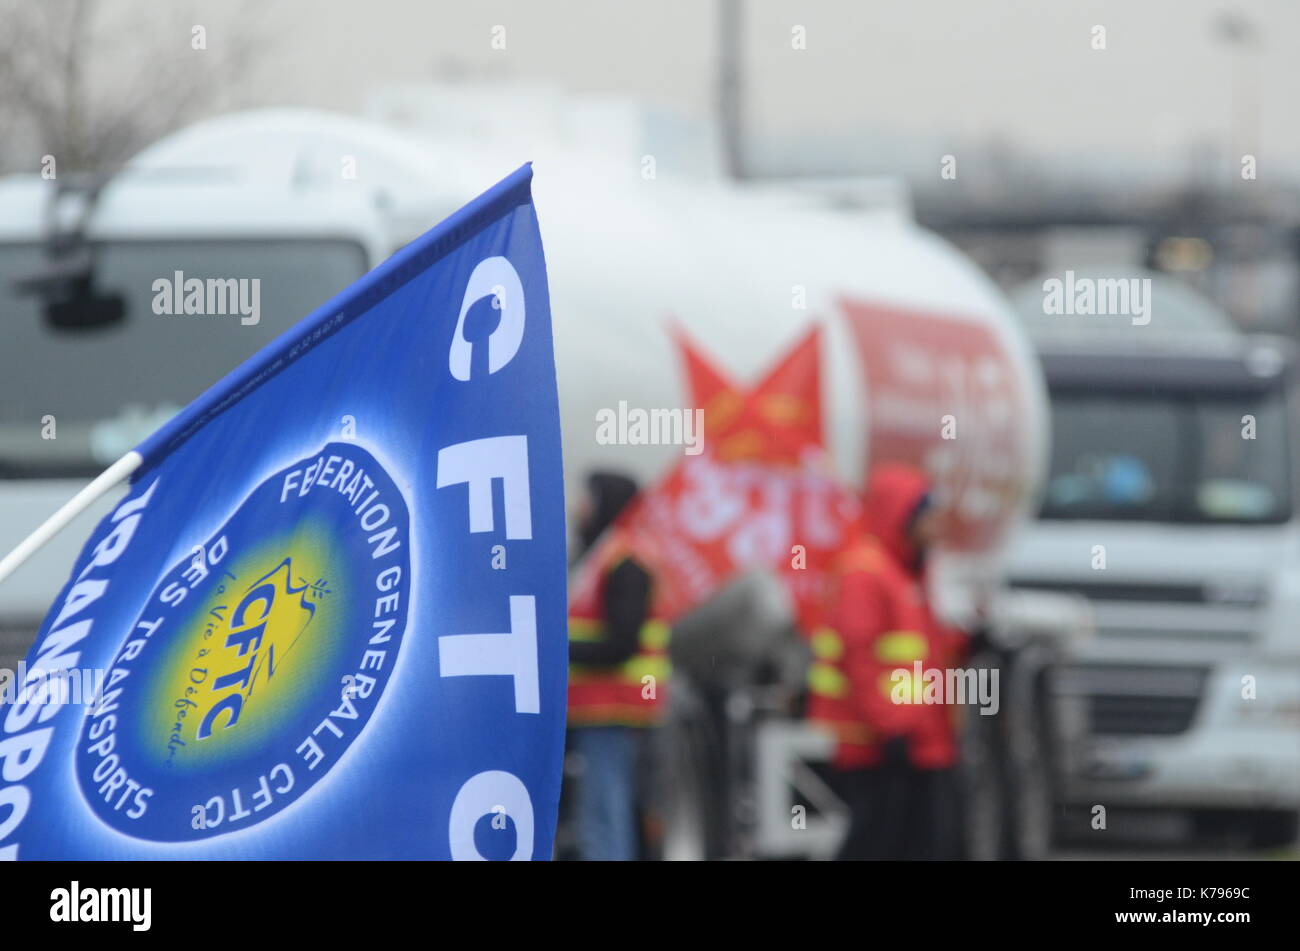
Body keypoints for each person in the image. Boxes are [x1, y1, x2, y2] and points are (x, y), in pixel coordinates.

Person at [805, 463, 965, 860]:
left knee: (913, 843)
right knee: (878, 842)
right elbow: (862, 661)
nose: (934, 524)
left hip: (912, 740)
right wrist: (893, 729)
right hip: (877, 745)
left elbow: (922, 657)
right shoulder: (868, 574)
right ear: (903, 514)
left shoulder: (904, 573)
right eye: (926, 513)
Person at [566, 472, 669, 861]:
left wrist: (558, 651)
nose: (578, 507)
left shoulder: (624, 561)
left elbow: (622, 643)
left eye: (587, 497)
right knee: (600, 811)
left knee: (603, 813)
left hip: (613, 708)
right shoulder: (600, 555)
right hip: (598, 708)